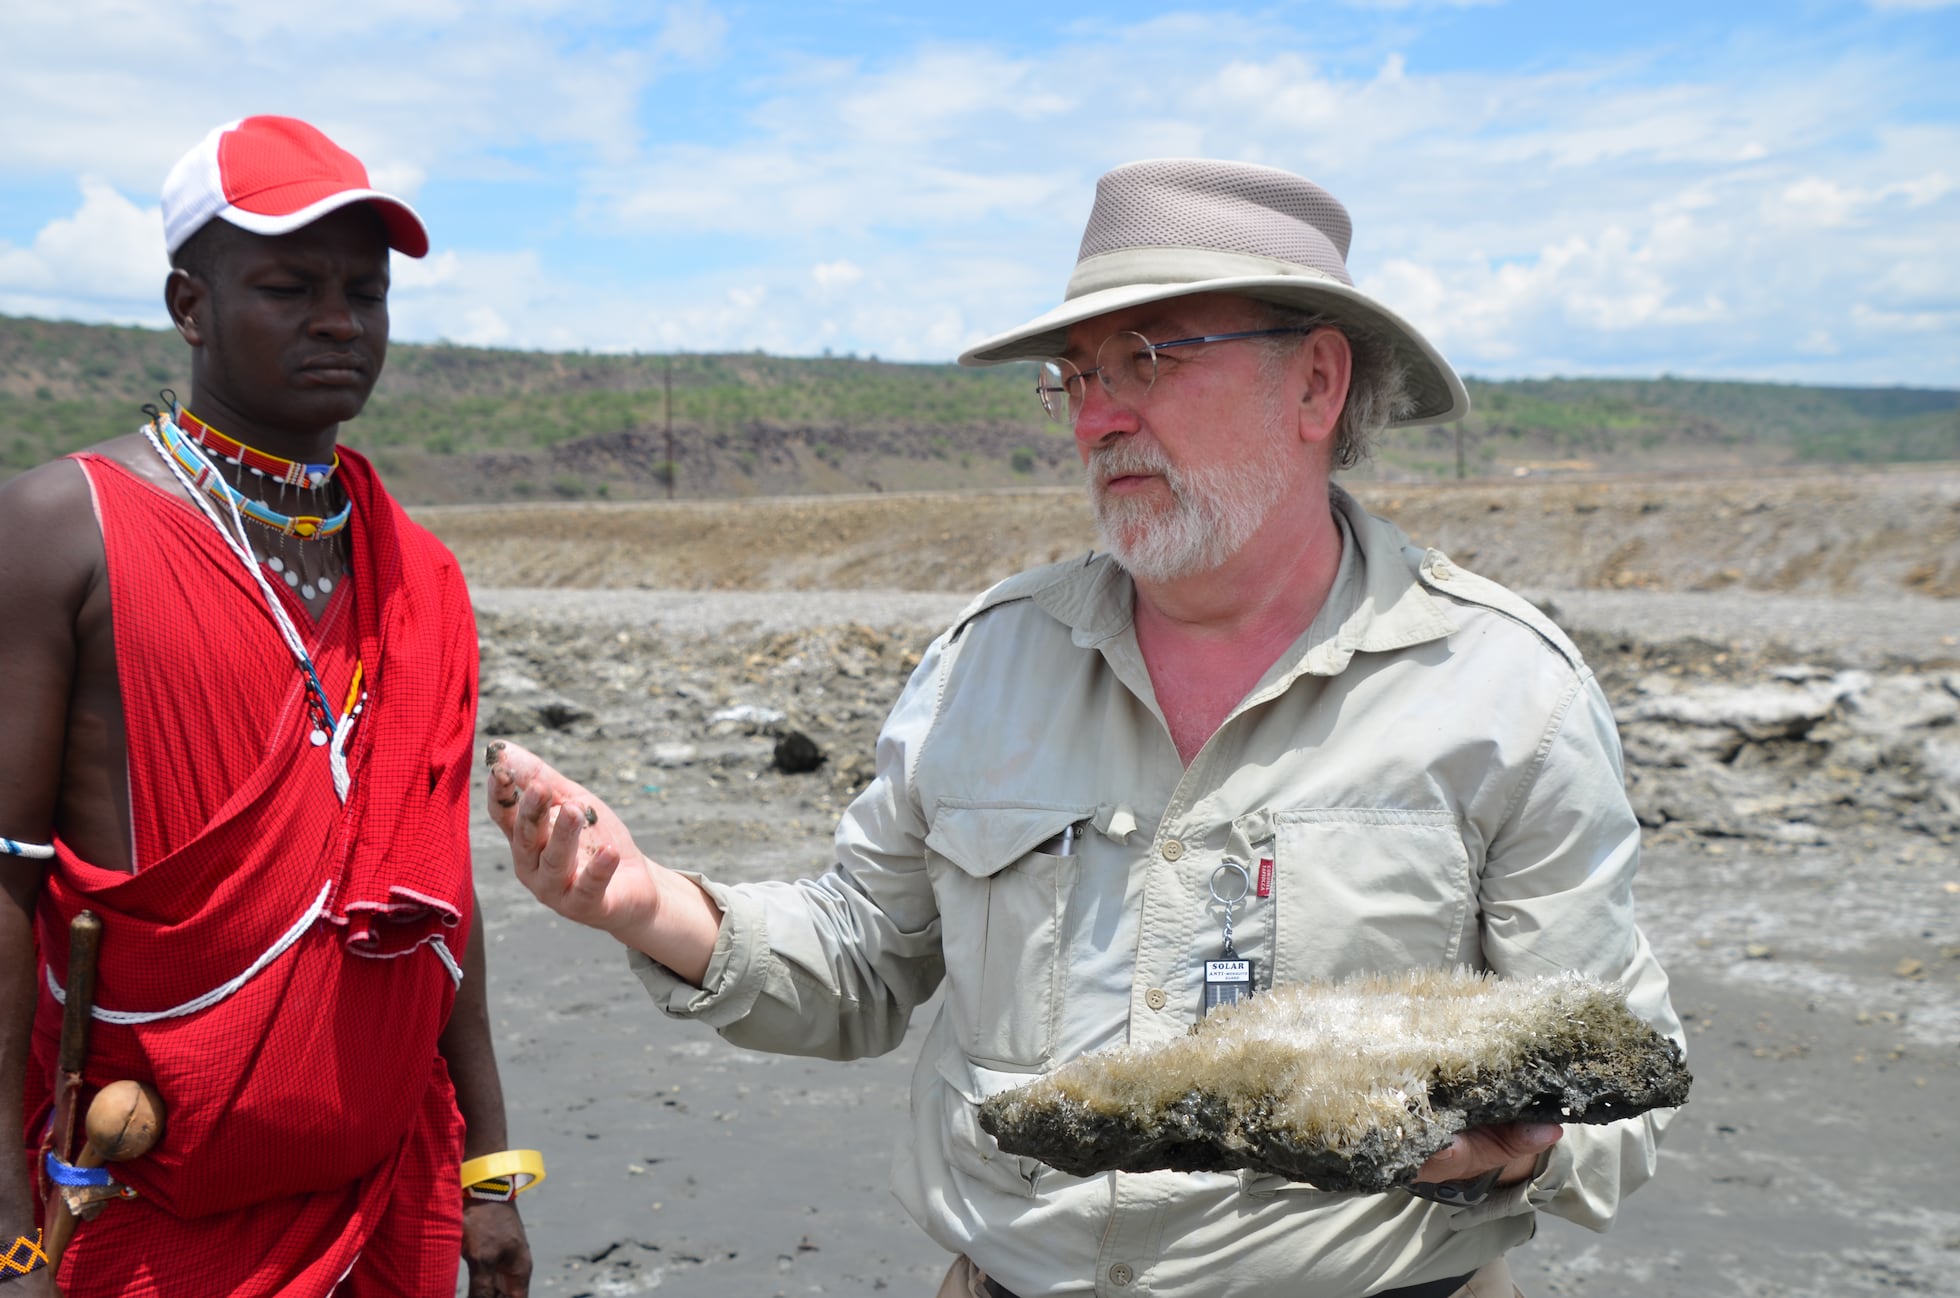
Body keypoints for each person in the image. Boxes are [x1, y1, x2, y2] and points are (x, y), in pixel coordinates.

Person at [489, 159, 1681, 1298]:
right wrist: (637, 898)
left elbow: (1615, 1052)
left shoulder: (1504, 691)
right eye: (1074, 374)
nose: (1095, 417)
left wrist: (1528, 1142)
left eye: (1147, 358)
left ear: (1317, 382)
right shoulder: (986, 665)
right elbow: (859, 960)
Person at [0, 116, 533, 1296]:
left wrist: (488, 1170)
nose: (340, 321)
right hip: (144, 1204)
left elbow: (436, 883)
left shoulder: (420, 571)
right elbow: (3, 878)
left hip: (389, 1188)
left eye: (365, 290)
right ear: (190, 304)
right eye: (291, 287)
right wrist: (6, 1226)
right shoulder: (59, 530)